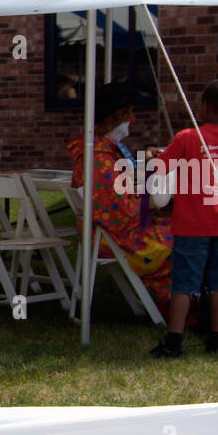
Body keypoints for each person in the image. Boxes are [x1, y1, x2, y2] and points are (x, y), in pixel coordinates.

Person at [146, 80, 218, 357]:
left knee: (184, 284)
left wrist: (154, 154)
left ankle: (174, 341)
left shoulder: (188, 137)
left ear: (204, 107)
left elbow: (161, 167)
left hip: (191, 224)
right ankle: (217, 339)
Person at [67, 81, 173, 311]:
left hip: (103, 232)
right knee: (183, 238)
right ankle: (184, 305)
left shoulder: (96, 151)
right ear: (113, 119)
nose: (132, 122)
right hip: (115, 237)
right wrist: (152, 201)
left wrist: (145, 165)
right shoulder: (101, 159)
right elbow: (123, 212)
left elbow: (119, 192)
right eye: (128, 117)